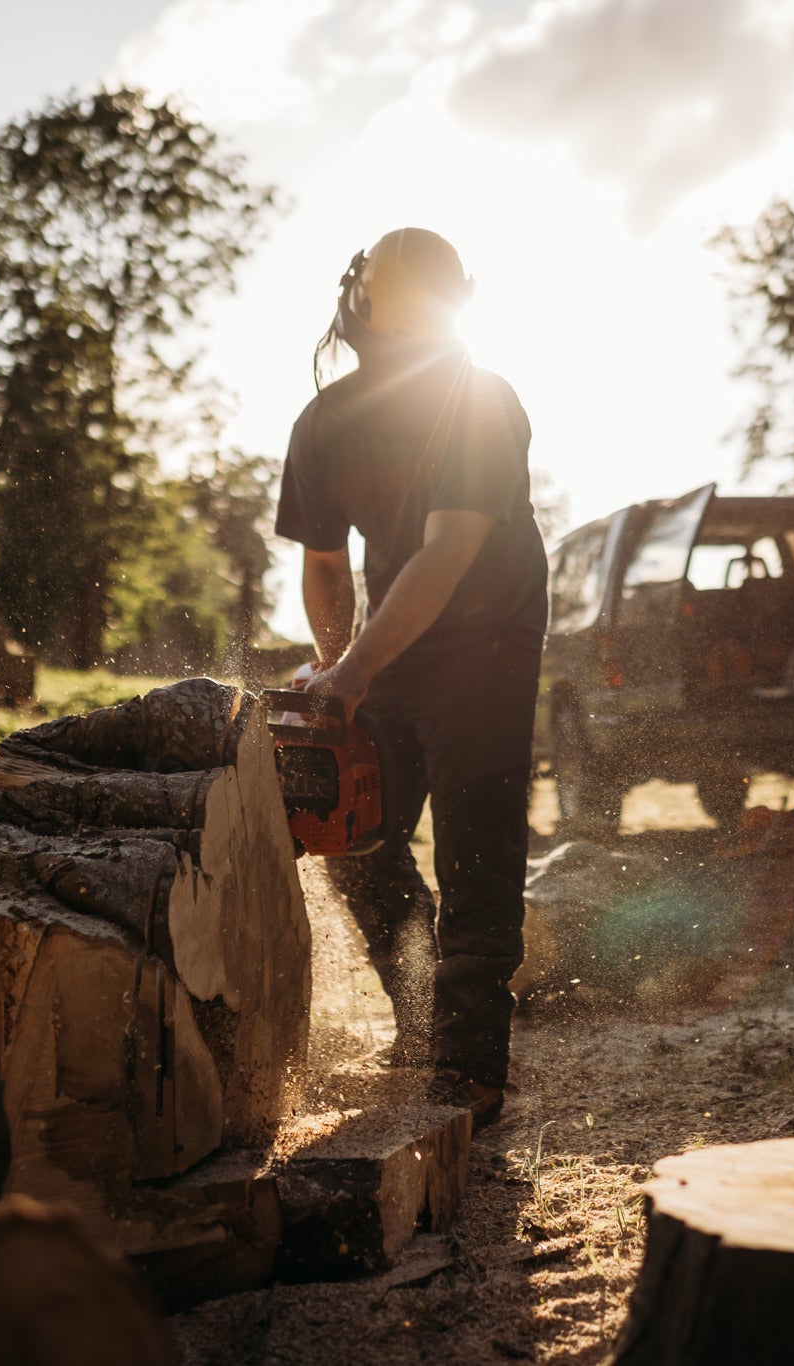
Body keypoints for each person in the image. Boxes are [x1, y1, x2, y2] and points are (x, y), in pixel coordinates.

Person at [276, 227, 546, 1127]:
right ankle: (421, 1017)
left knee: (477, 852)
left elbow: (450, 553)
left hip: (487, 648)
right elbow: (322, 562)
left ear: (360, 306)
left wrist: (350, 667)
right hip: (392, 652)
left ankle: (469, 1069)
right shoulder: (325, 422)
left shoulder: (480, 401)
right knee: (357, 833)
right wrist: (332, 665)